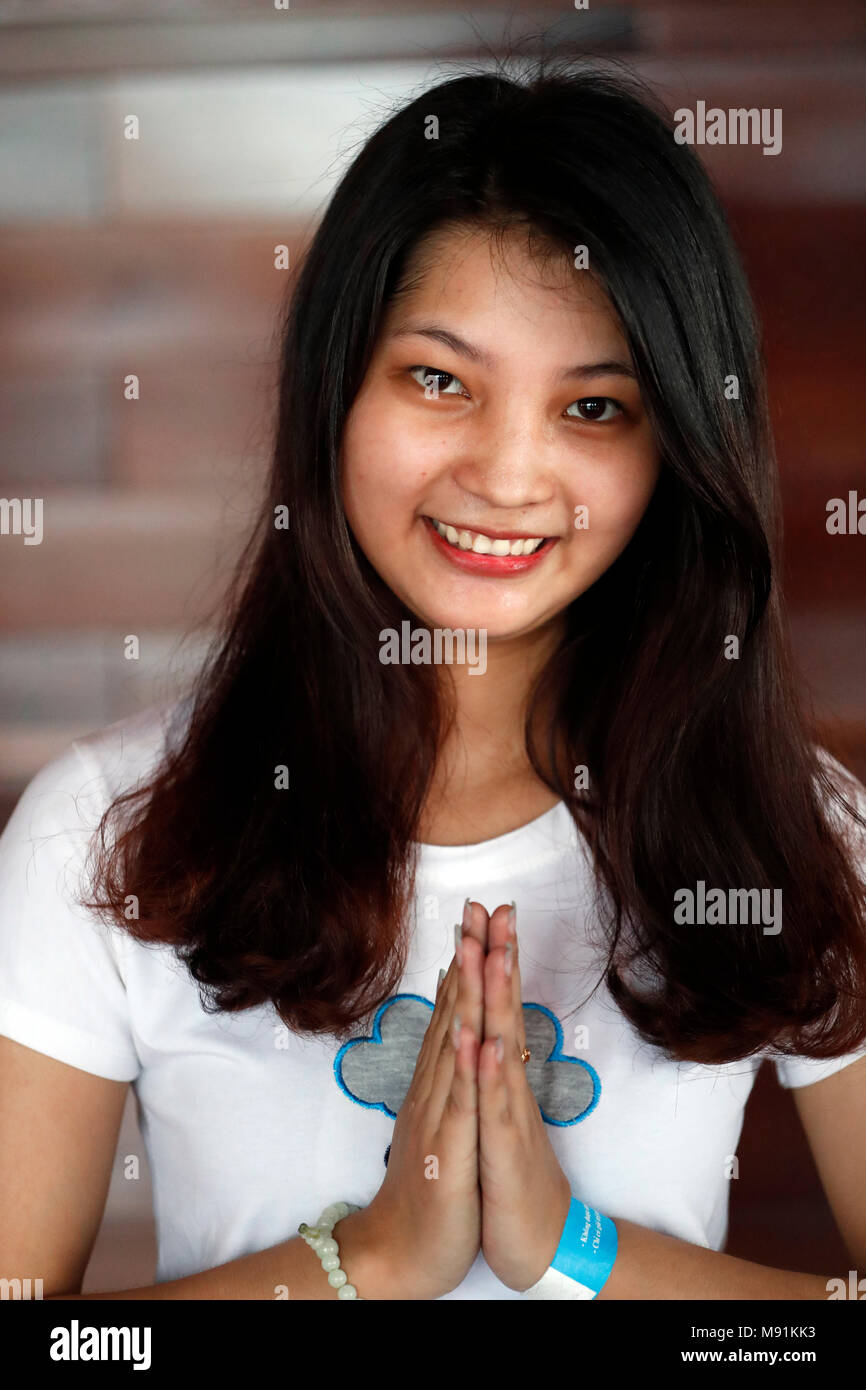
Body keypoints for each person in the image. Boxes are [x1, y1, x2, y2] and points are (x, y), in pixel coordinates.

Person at [1, 56, 865, 1302]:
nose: (508, 477)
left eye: (595, 409)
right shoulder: (107, 830)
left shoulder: (797, 834)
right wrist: (368, 1259)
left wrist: (578, 1247)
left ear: (675, 447)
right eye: (439, 381)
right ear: (335, 389)